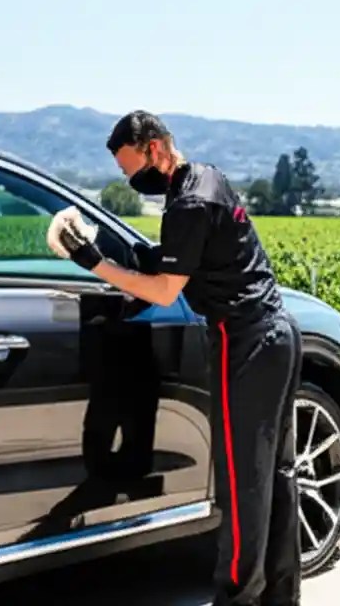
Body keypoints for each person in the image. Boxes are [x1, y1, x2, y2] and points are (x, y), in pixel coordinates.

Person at [48, 110, 304, 606]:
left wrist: (92, 261)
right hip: (279, 333)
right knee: (275, 477)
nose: (130, 178)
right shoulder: (210, 178)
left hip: (243, 342)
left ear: (156, 149)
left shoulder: (186, 203)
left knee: (240, 484)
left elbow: (166, 291)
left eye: (130, 168)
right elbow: (184, 258)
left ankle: (237, 598)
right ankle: (280, 596)